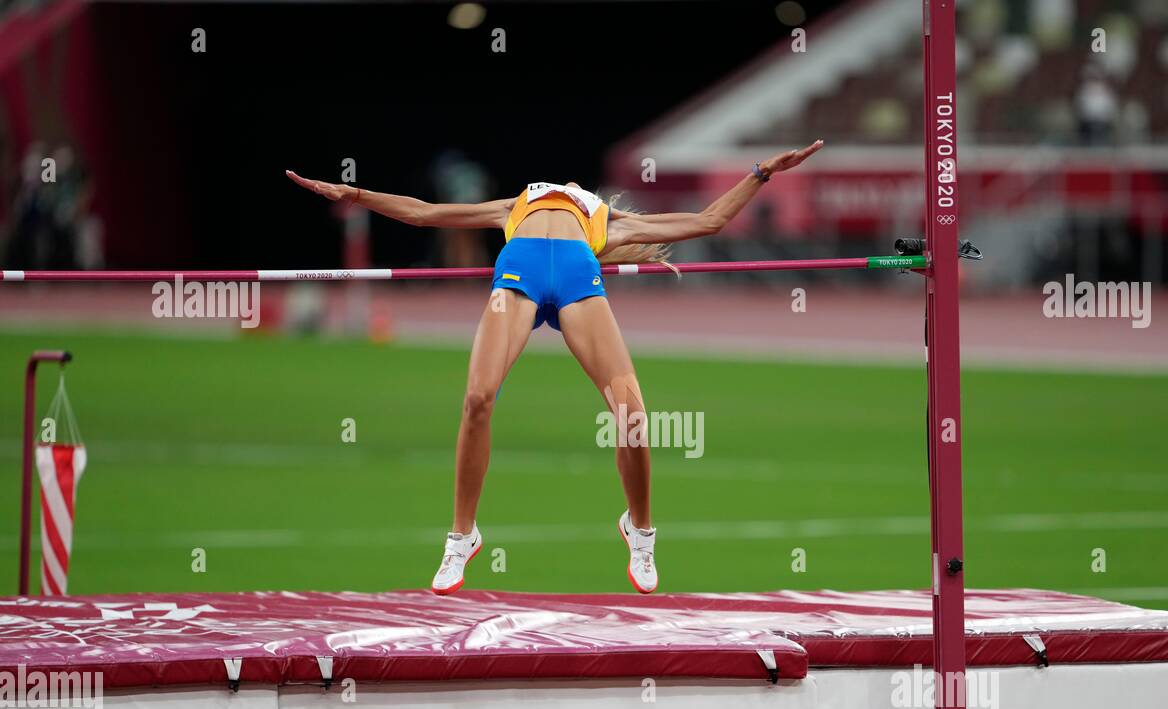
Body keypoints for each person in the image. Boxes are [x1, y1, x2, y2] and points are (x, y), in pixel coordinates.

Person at [286, 139, 823, 594]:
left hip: (575, 285)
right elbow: (423, 211)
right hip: (515, 280)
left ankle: (640, 529)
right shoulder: (510, 206)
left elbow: (708, 221)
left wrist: (760, 173)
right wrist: (353, 194)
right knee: (476, 400)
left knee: (632, 412)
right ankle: (462, 537)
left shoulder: (612, 225)